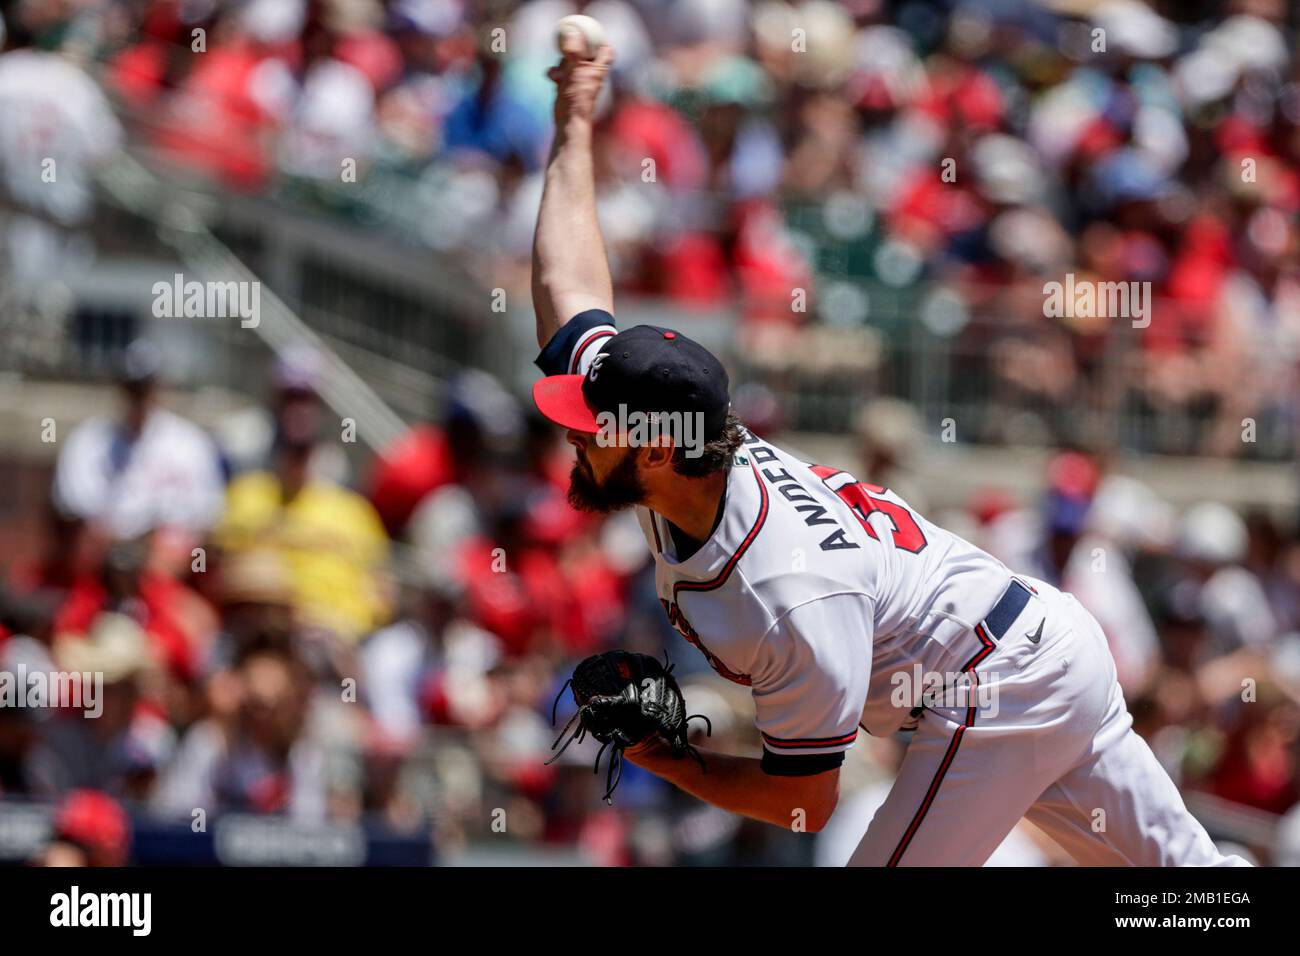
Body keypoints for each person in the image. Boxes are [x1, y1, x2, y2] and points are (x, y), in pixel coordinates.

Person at [525, 35, 1248, 866]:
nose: (574, 431)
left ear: (654, 451)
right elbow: (571, 293)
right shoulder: (684, 443)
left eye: (593, 426)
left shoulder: (785, 591)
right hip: (1037, 648)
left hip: (993, 686)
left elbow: (802, 803)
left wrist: (665, 758)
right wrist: (575, 119)